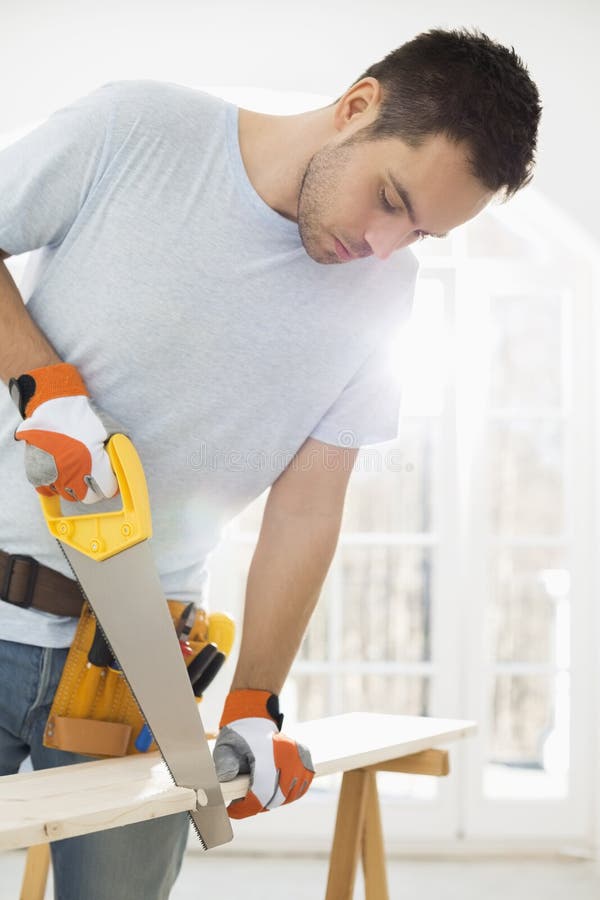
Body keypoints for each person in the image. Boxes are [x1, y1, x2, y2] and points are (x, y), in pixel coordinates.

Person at [0, 27, 540, 900]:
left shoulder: (383, 298)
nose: (383, 243)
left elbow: (308, 508)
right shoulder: (137, 130)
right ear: (358, 106)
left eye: (420, 233)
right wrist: (42, 384)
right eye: (390, 197)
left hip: (135, 660)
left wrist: (256, 699)